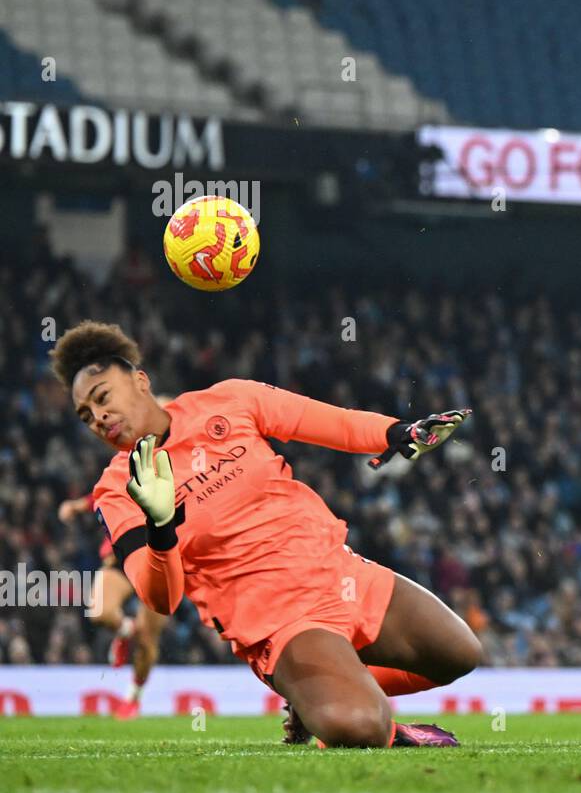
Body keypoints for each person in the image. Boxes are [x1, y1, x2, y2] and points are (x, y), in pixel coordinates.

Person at [51, 320, 482, 748]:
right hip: (280, 623)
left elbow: (337, 424)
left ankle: (320, 692)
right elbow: (159, 597)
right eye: (86, 415)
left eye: (102, 397)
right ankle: (336, 700)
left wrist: (397, 431)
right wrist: (161, 526)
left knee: (460, 655)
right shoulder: (116, 489)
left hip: (339, 572)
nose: (99, 417)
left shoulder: (228, 401)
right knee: (361, 728)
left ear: (140, 380)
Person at [59, 479, 168, 720]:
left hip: (162, 559)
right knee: (100, 612)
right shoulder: (131, 458)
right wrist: (77, 506)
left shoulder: (177, 461)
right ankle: (127, 630)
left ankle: (133, 697)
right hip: (122, 553)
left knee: (148, 640)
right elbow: (106, 489)